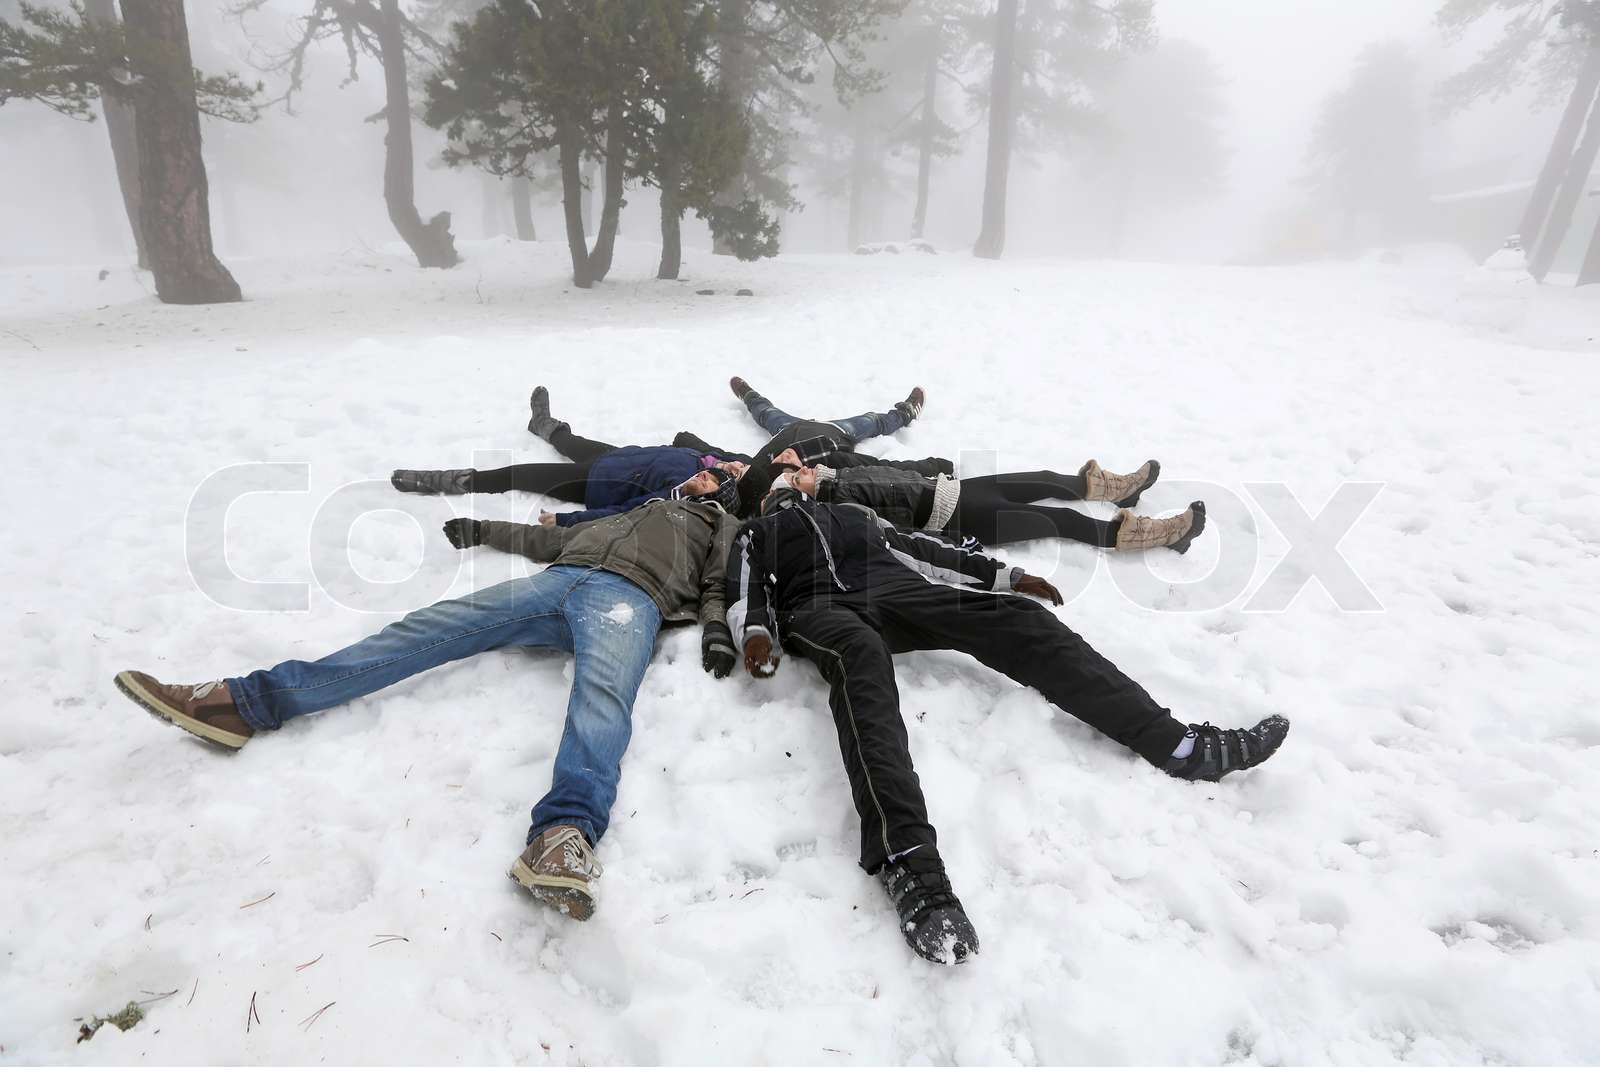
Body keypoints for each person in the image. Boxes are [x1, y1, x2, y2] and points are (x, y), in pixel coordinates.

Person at [725, 489, 1289, 964]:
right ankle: (910, 863)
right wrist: (754, 633)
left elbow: (921, 550)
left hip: (897, 588)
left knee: (1017, 619)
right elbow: (745, 588)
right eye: (777, 490)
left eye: (791, 488)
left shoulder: (853, 513)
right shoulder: (756, 534)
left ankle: (1178, 744)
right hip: (819, 608)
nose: (786, 492)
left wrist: (1006, 576)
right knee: (861, 660)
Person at [114, 496, 740, 921]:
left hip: (630, 602)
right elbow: (541, 538)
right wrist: (481, 531)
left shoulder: (720, 527)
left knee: (602, 699)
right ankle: (245, 703)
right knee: (422, 630)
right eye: (703, 478)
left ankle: (563, 833)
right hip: (559, 577)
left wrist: (715, 629)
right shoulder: (629, 514)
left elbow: (719, 581)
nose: (706, 484)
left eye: (719, 483)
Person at [391, 386, 756, 525]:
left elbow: (624, 513)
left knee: (520, 473)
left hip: (595, 482)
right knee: (570, 441)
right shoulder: (706, 460)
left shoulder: (677, 494)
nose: (734, 467)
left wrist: (567, 522)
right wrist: (726, 460)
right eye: (736, 467)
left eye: (721, 477)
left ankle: (445, 480)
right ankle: (543, 424)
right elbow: (684, 437)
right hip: (619, 457)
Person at [765, 441, 1205, 553]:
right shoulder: (840, 504)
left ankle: (1123, 490)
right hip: (964, 519)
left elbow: (887, 470)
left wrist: (806, 464)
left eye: (800, 470)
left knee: (1049, 479)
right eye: (797, 478)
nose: (802, 472)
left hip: (961, 490)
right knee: (1063, 523)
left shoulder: (838, 473)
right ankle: (1164, 536)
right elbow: (889, 530)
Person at [670, 377, 932, 471]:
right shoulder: (817, 471)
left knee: (765, 411)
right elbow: (853, 465)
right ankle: (907, 411)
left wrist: (688, 442)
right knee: (873, 420)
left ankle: (747, 394)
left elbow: (727, 457)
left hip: (786, 430)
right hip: (838, 432)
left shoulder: (762, 467)